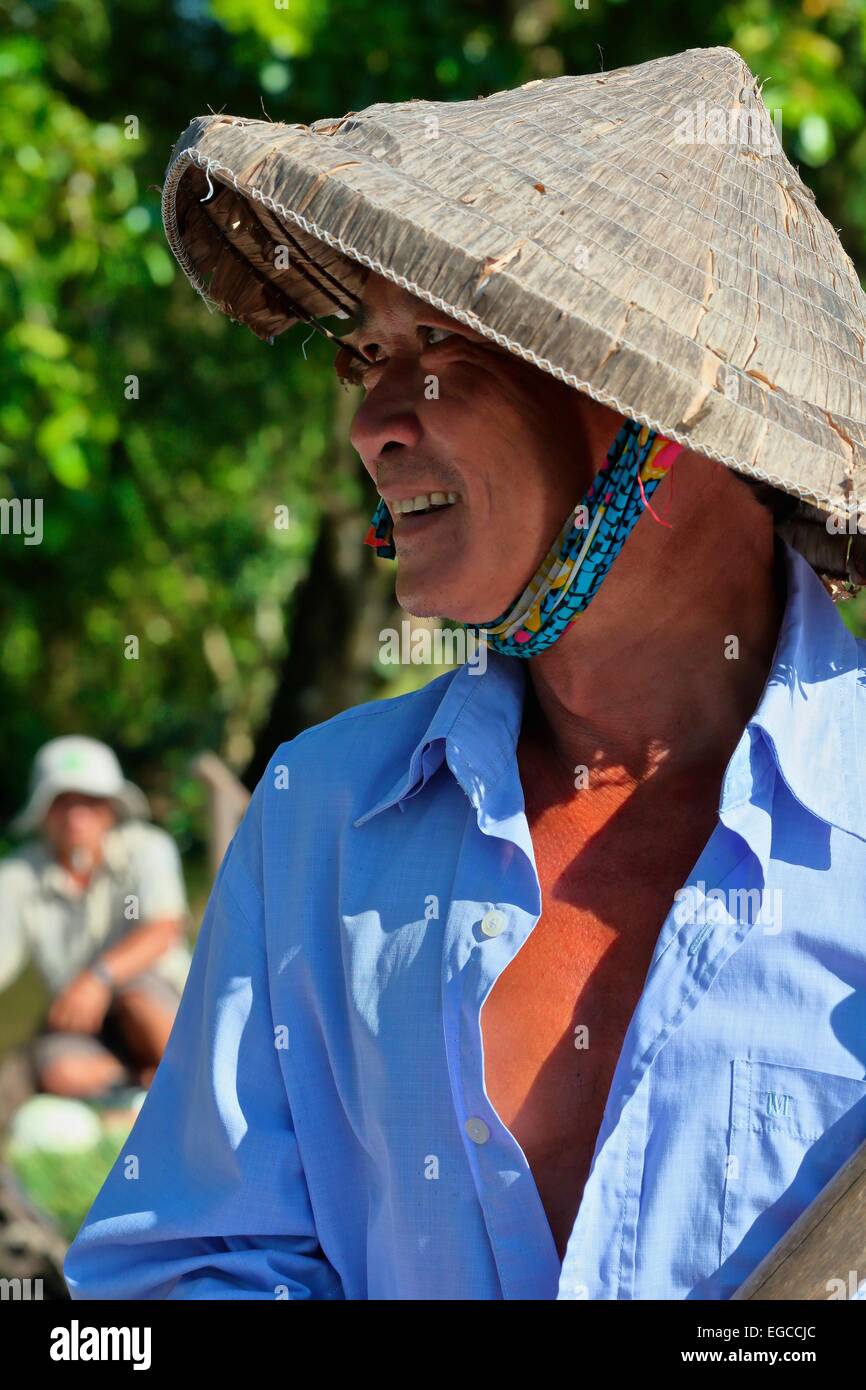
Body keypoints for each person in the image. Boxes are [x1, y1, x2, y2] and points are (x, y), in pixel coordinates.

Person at [65, 46, 866, 1299]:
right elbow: (192, 1268)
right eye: (359, 353)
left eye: (437, 341)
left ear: (659, 403)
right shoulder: (322, 818)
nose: (368, 422)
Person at [0, 736, 192, 1097]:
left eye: (89, 802)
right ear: (43, 813)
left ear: (110, 808)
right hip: (86, 1025)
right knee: (58, 1069)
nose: (76, 816)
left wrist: (99, 978)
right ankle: (141, 1087)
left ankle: (188, 1083)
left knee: (136, 994)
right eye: (63, 803)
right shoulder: (17, 876)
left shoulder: (148, 848)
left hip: (164, 1007)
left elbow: (165, 928)